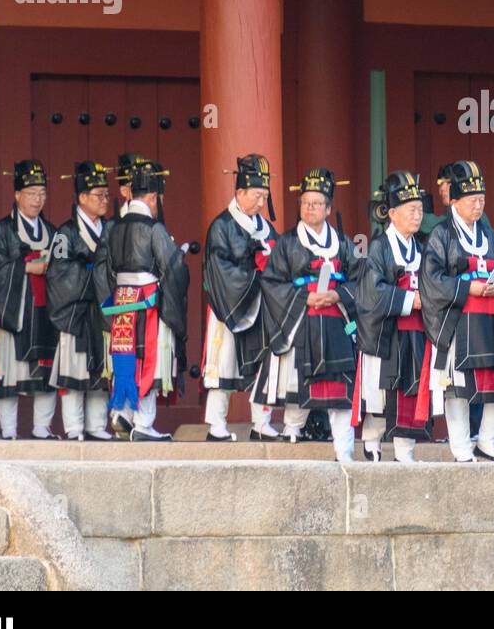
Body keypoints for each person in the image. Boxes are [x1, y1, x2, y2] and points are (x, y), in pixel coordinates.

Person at [419, 160, 494, 462]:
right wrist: (469, 289)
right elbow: (432, 280)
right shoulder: (441, 235)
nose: (479, 206)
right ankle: (461, 446)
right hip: (459, 322)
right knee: (459, 387)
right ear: (455, 201)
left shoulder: (488, 236)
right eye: (472, 200)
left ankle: (489, 440)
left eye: (482, 200)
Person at [254, 168, 358, 461]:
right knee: (296, 379)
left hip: (335, 320)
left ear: (328, 208)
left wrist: (339, 295)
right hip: (300, 318)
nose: (310, 208)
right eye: (305, 202)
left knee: (339, 388)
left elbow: (360, 280)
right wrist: (305, 296)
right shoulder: (286, 243)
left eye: (316, 203)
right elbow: (272, 282)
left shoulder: (344, 243)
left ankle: (344, 448)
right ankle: (292, 431)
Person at [96, 158, 189, 441]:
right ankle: (144, 423)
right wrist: (180, 262)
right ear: (151, 197)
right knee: (151, 359)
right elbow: (172, 269)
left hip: (122, 300)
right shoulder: (154, 229)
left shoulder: (115, 227)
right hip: (147, 302)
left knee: (126, 357)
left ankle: (123, 413)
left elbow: (107, 269)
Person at [354, 170, 433, 462]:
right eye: (411, 210)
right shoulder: (378, 247)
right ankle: (372, 440)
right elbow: (371, 293)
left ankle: (404, 450)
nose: (417, 216)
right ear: (393, 214)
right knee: (379, 392)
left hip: (415, 332)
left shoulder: (421, 248)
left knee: (407, 391)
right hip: (386, 331)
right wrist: (409, 299)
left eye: (420, 210)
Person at [201, 154, 278, 442]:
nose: (261, 202)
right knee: (223, 366)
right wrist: (256, 273)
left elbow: (278, 258)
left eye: (264, 196)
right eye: (256, 195)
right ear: (239, 192)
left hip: (261, 306)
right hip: (229, 305)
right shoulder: (221, 226)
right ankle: (216, 424)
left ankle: (261, 422)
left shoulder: (265, 227)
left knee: (266, 364)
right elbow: (221, 271)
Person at [0, 160, 59, 439]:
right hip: (15, 311)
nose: (37, 200)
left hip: (44, 310)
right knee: (10, 375)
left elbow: (62, 265)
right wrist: (26, 267)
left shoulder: (52, 231)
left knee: (45, 372)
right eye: (31, 193)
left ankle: (42, 428)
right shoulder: (3, 230)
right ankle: (9, 431)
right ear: (17, 195)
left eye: (42, 193)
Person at [46, 161, 113, 441]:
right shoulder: (65, 233)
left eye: (106, 195)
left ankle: (97, 425)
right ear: (82, 197)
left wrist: (98, 270)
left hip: (101, 309)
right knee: (74, 369)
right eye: (98, 195)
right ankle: (74, 427)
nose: (104, 200)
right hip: (76, 309)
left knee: (100, 368)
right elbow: (59, 271)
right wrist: (91, 271)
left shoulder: (110, 229)